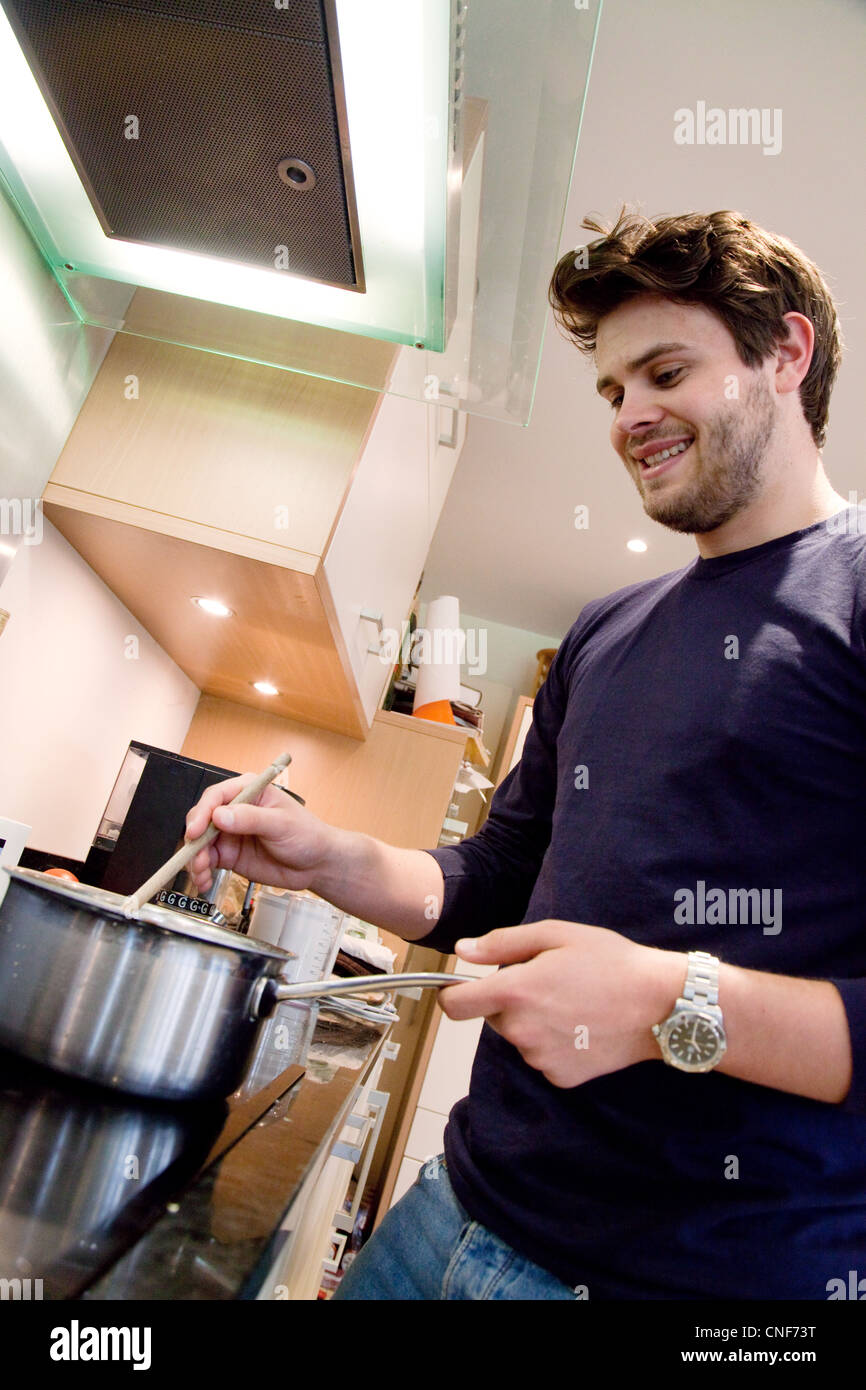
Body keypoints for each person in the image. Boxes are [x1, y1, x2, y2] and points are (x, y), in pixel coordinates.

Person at [186, 209, 866, 1301]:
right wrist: (331, 859)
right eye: (610, 390)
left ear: (783, 355)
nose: (628, 415)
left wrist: (666, 1001)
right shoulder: (606, 630)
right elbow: (495, 878)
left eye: (663, 371)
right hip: (446, 1221)